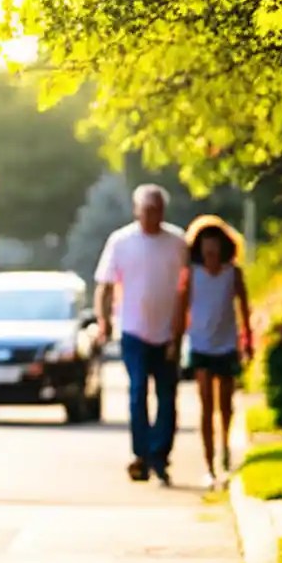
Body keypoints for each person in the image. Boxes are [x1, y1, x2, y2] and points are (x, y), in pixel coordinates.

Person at [93, 184, 188, 486]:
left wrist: (180, 329)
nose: (152, 216)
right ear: (136, 210)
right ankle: (141, 454)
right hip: (133, 330)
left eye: (157, 210)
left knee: (167, 396)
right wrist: (104, 320)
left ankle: (160, 455)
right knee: (137, 394)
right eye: (147, 210)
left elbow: (186, 287)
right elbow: (105, 285)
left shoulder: (177, 243)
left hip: (167, 332)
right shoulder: (121, 241)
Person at [174, 215, 253, 490]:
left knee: (226, 405)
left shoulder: (233, 274)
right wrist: (177, 340)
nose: (210, 253)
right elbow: (182, 309)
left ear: (223, 247)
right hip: (201, 344)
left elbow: (244, 306)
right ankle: (208, 465)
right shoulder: (193, 275)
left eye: (215, 247)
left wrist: (248, 339)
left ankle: (225, 450)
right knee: (206, 405)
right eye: (206, 248)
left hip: (227, 344)